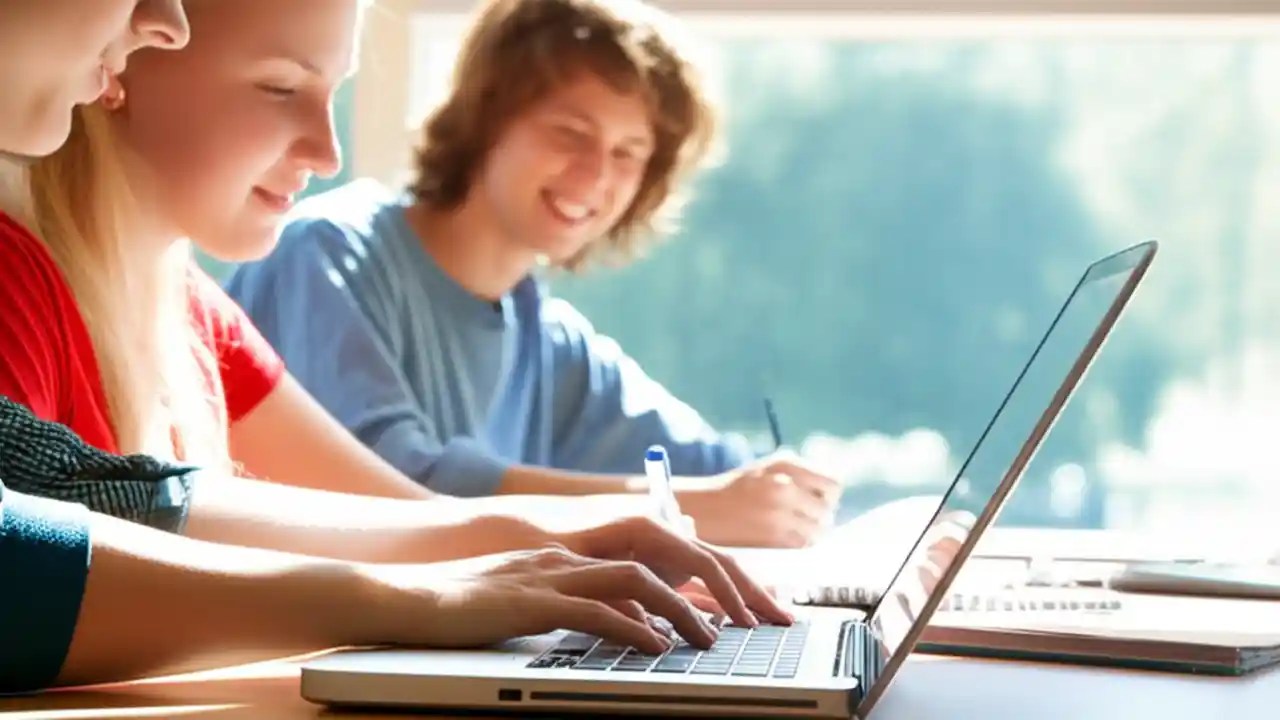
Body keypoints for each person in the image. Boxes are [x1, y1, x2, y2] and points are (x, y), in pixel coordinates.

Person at [0, 0, 788, 695]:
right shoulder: (26, 280)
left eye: (628, 154)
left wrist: (543, 542)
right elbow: (35, 551)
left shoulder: (185, 303)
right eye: (280, 87)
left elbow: (374, 508)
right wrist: (419, 592)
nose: (328, 152)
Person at [227, 0, 842, 548]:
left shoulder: (546, 335)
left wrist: (793, 500)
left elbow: (718, 469)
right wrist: (687, 510)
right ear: (487, 119)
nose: (597, 174)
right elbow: (389, 488)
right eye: (571, 133)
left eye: (629, 153)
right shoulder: (326, 253)